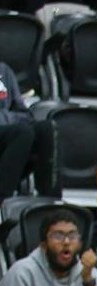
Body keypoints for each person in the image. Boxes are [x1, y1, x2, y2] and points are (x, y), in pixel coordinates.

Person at [0, 62, 49, 200]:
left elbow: (23, 113)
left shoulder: (4, 70)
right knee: (22, 133)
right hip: (11, 131)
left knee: (47, 129)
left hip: (7, 135)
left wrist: (6, 117)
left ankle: (49, 202)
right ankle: (2, 198)